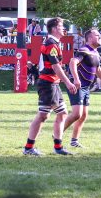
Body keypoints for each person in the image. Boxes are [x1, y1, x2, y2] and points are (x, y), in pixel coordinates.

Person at [23, 17, 78, 156]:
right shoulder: (51, 44)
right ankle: (29, 148)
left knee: (62, 113)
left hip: (53, 83)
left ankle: (58, 147)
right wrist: (68, 82)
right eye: (61, 26)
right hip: (48, 83)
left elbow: (56, 67)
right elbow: (55, 66)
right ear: (54, 29)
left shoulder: (54, 43)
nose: (64, 28)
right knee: (43, 115)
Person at [62, 28, 101, 149]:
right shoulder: (84, 50)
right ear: (90, 38)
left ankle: (74, 141)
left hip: (86, 88)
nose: (100, 37)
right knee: (77, 114)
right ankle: (57, 134)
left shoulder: (95, 53)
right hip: (77, 86)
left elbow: (97, 70)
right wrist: (76, 79)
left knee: (83, 115)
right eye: (97, 36)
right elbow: (72, 62)